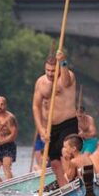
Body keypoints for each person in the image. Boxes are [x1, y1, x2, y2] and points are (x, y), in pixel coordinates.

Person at [32, 52, 78, 185]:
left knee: (67, 154)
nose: (50, 73)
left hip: (68, 123)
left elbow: (67, 81)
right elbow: (36, 106)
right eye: (48, 70)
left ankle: (72, 182)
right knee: (54, 161)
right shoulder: (40, 82)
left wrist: (63, 61)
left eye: (53, 70)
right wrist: (41, 130)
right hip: (51, 127)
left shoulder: (67, 76)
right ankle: (63, 187)